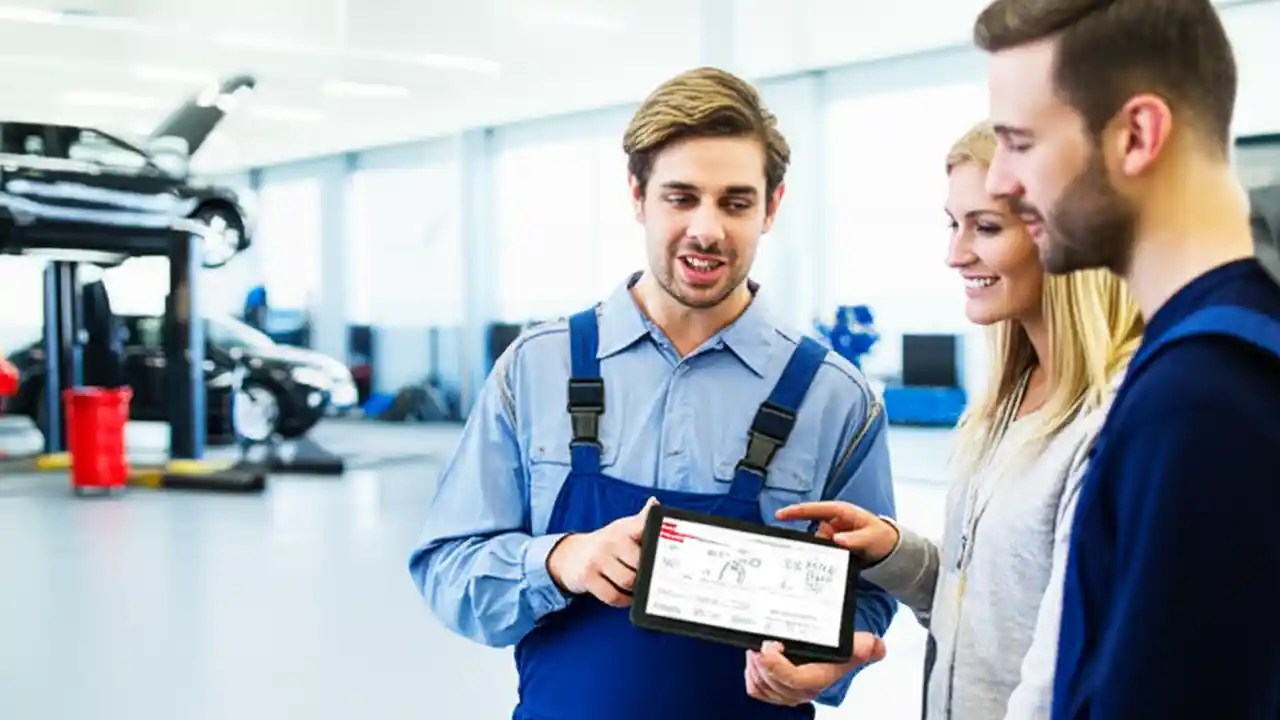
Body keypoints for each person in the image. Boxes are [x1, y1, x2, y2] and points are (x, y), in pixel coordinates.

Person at [408, 66, 898, 720]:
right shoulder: (537, 368)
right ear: (637, 196)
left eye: (735, 202)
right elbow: (448, 569)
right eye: (681, 197)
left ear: (772, 207)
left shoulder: (835, 398)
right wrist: (561, 559)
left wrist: (825, 665)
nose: (707, 230)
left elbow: (867, 592)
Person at [972, 1, 1280, 717]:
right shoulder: (1209, 355)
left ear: (1137, 136)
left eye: (1020, 144)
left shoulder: (1203, 400)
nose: (999, 183)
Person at [776, 121, 1142, 719]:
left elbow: (1067, 669)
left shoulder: (1117, 424)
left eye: (986, 227)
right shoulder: (1010, 401)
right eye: (953, 223)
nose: (955, 254)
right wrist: (895, 554)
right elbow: (992, 616)